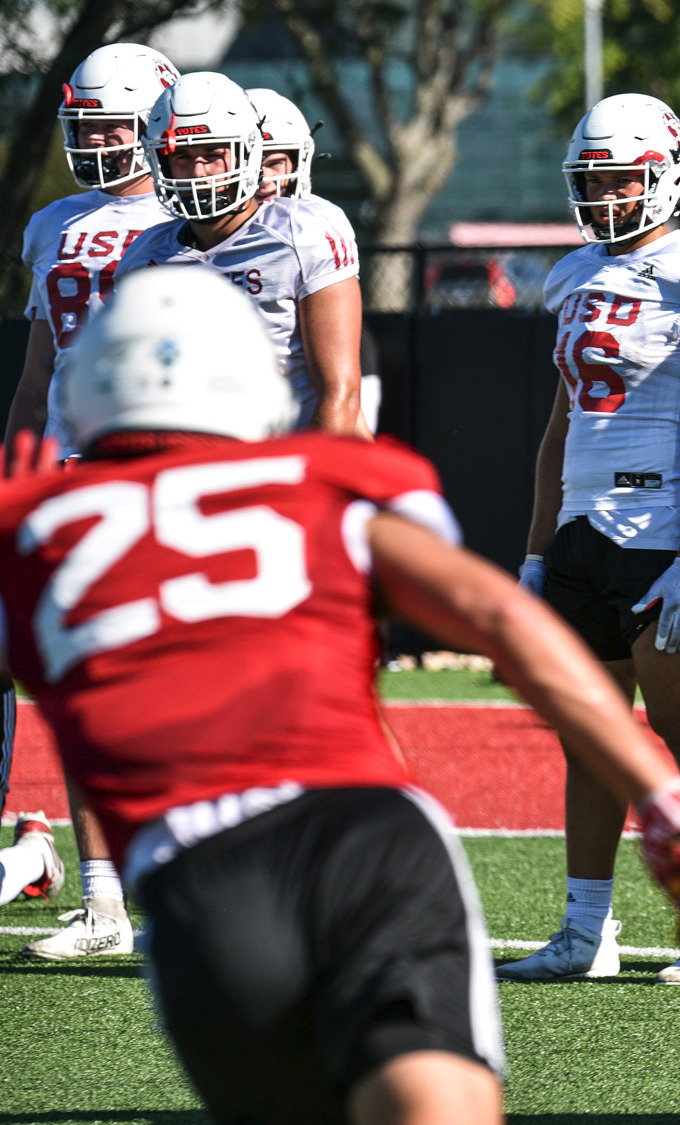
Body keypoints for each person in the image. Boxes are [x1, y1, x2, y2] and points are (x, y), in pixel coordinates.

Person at [0, 264, 680, 1124]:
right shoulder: (326, 481)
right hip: (375, 841)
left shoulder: (36, 531)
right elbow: (501, 621)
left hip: (204, 874)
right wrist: (665, 799)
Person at [498, 93, 680, 986]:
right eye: (593, 179)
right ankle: (585, 931)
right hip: (580, 532)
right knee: (589, 737)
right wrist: (533, 555)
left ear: (668, 175)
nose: (605, 196)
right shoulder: (570, 275)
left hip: (659, 536)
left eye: (622, 178)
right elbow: (559, 429)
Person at [3, 42, 179, 961]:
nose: (97, 142)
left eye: (115, 124)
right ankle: (103, 903)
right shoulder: (51, 223)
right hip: (66, 466)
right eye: (87, 124)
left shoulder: (194, 215)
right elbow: (38, 370)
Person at [121, 71, 369, 437]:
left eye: (213, 154)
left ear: (246, 153)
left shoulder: (302, 233)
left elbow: (339, 393)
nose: (198, 172)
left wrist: (304, 480)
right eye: (182, 157)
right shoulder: (144, 260)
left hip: (292, 453)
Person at [245, 87, 317, 201]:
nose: (264, 180)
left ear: (295, 164)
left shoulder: (320, 217)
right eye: (249, 167)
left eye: (274, 164)